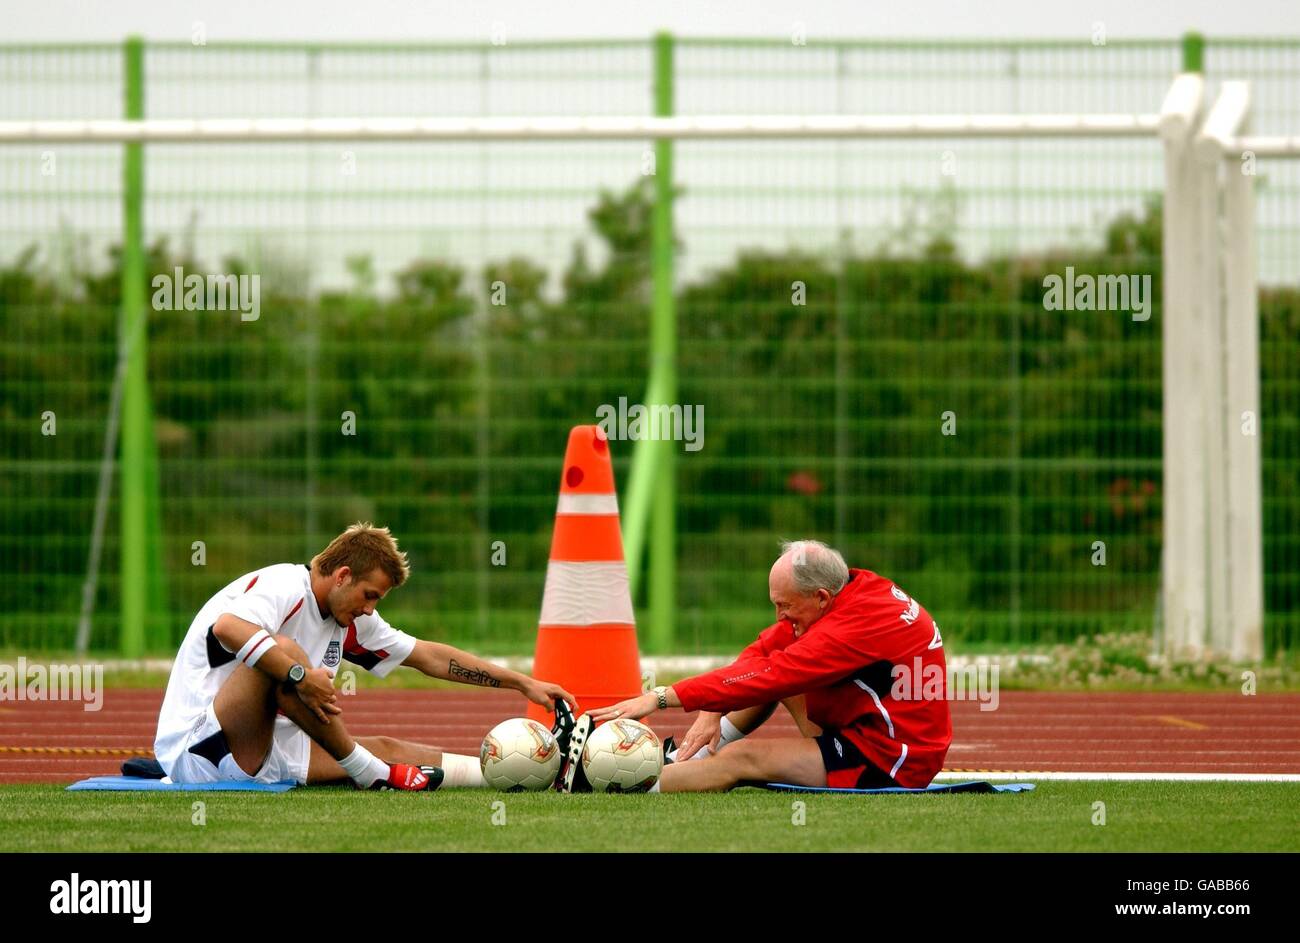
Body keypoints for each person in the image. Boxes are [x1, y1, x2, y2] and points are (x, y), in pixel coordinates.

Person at [153, 522, 575, 791]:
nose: (371, 608)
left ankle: (525, 776)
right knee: (284, 652)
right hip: (201, 749)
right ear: (342, 576)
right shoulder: (283, 585)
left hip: (261, 750)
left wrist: (521, 682)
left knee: (387, 747)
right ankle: (367, 772)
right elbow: (227, 628)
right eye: (369, 595)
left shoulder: (347, 618)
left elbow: (428, 657)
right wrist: (300, 674)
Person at [589, 540, 951, 793]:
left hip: (889, 761)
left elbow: (768, 676)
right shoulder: (851, 588)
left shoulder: (849, 630)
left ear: (820, 597)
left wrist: (662, 697)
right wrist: (714, 707)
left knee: (743, 759)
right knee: (769, 675)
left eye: (785, 605)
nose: (780, 616)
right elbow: (764, 651)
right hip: (867, 725)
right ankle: (688, 757)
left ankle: (621, 783)